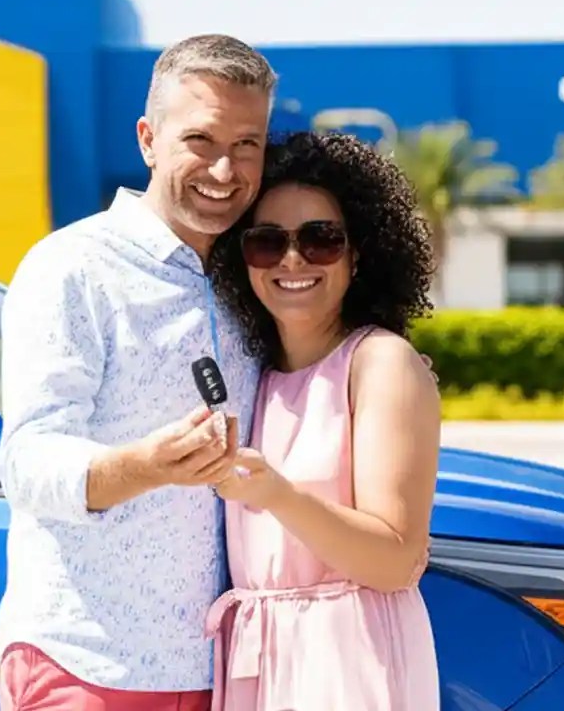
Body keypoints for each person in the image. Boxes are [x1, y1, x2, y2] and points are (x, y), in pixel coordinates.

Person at [0, 34, 277, 710]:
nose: (224, 169)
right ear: (149, 140)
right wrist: (146, 465)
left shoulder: (262, 275)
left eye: (247, 145)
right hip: (87, 666)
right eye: (201, 140)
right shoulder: (71, 268)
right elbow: (26, 464)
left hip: (229, 669)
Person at [204, 130, 442, 711]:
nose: (292, 259)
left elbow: (396, 561)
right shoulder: (254, 374)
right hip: (257, 662)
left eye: (320, 239)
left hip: (348, 664)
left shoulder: (379, 363)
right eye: (267, 242)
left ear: (358, 255)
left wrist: (279, 495)